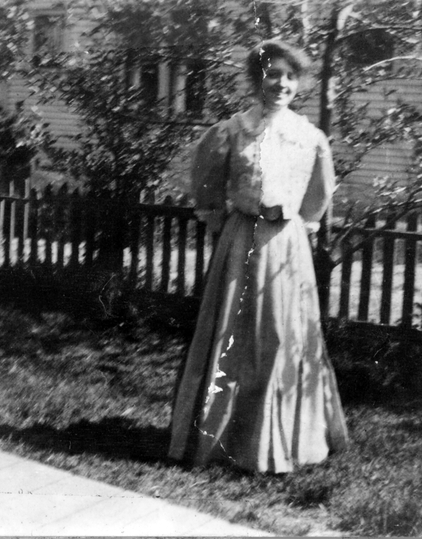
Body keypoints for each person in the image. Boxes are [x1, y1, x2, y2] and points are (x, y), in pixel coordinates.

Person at [168, 40, 349, 474]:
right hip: (240, 243)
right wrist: (223, 225)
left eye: (290, 76)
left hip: (287, 245)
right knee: (234, 334)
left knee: (282, 336)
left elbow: (318, 196)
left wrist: (299, 226)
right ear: (256, 79)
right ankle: (226, 439)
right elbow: (207, 188)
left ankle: (287, 441)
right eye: (272, 75)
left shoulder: (310, 137)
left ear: (298, 82)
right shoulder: (231, 130)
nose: (281, 84)